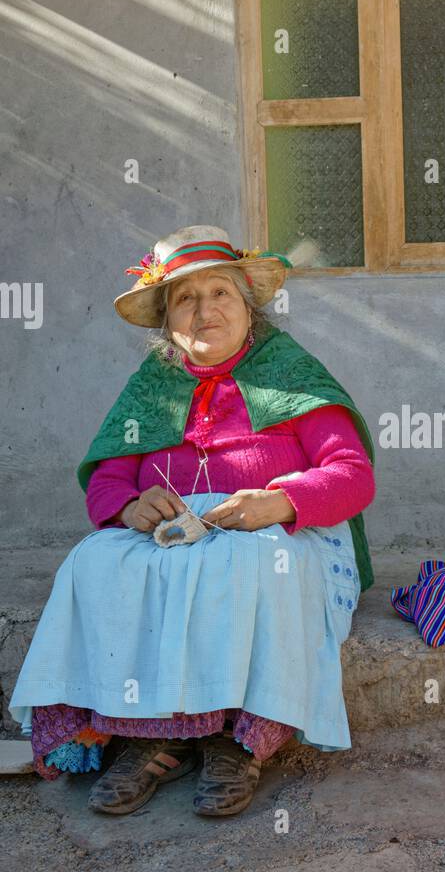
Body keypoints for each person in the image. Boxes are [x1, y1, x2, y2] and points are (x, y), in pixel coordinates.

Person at [9, 226, 376, 817]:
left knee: (251, 565)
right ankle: (150, 733)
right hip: (173, 530)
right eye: (186, 298)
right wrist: (129, 506)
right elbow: (107, 482)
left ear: (247, 306)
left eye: (220, 293)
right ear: (168, 318)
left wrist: (279, 502)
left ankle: (234, 741)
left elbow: (352, 473)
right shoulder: (150, 387)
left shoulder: (291, 372)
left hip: (277, 527)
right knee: (94, 562)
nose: (205, 311)